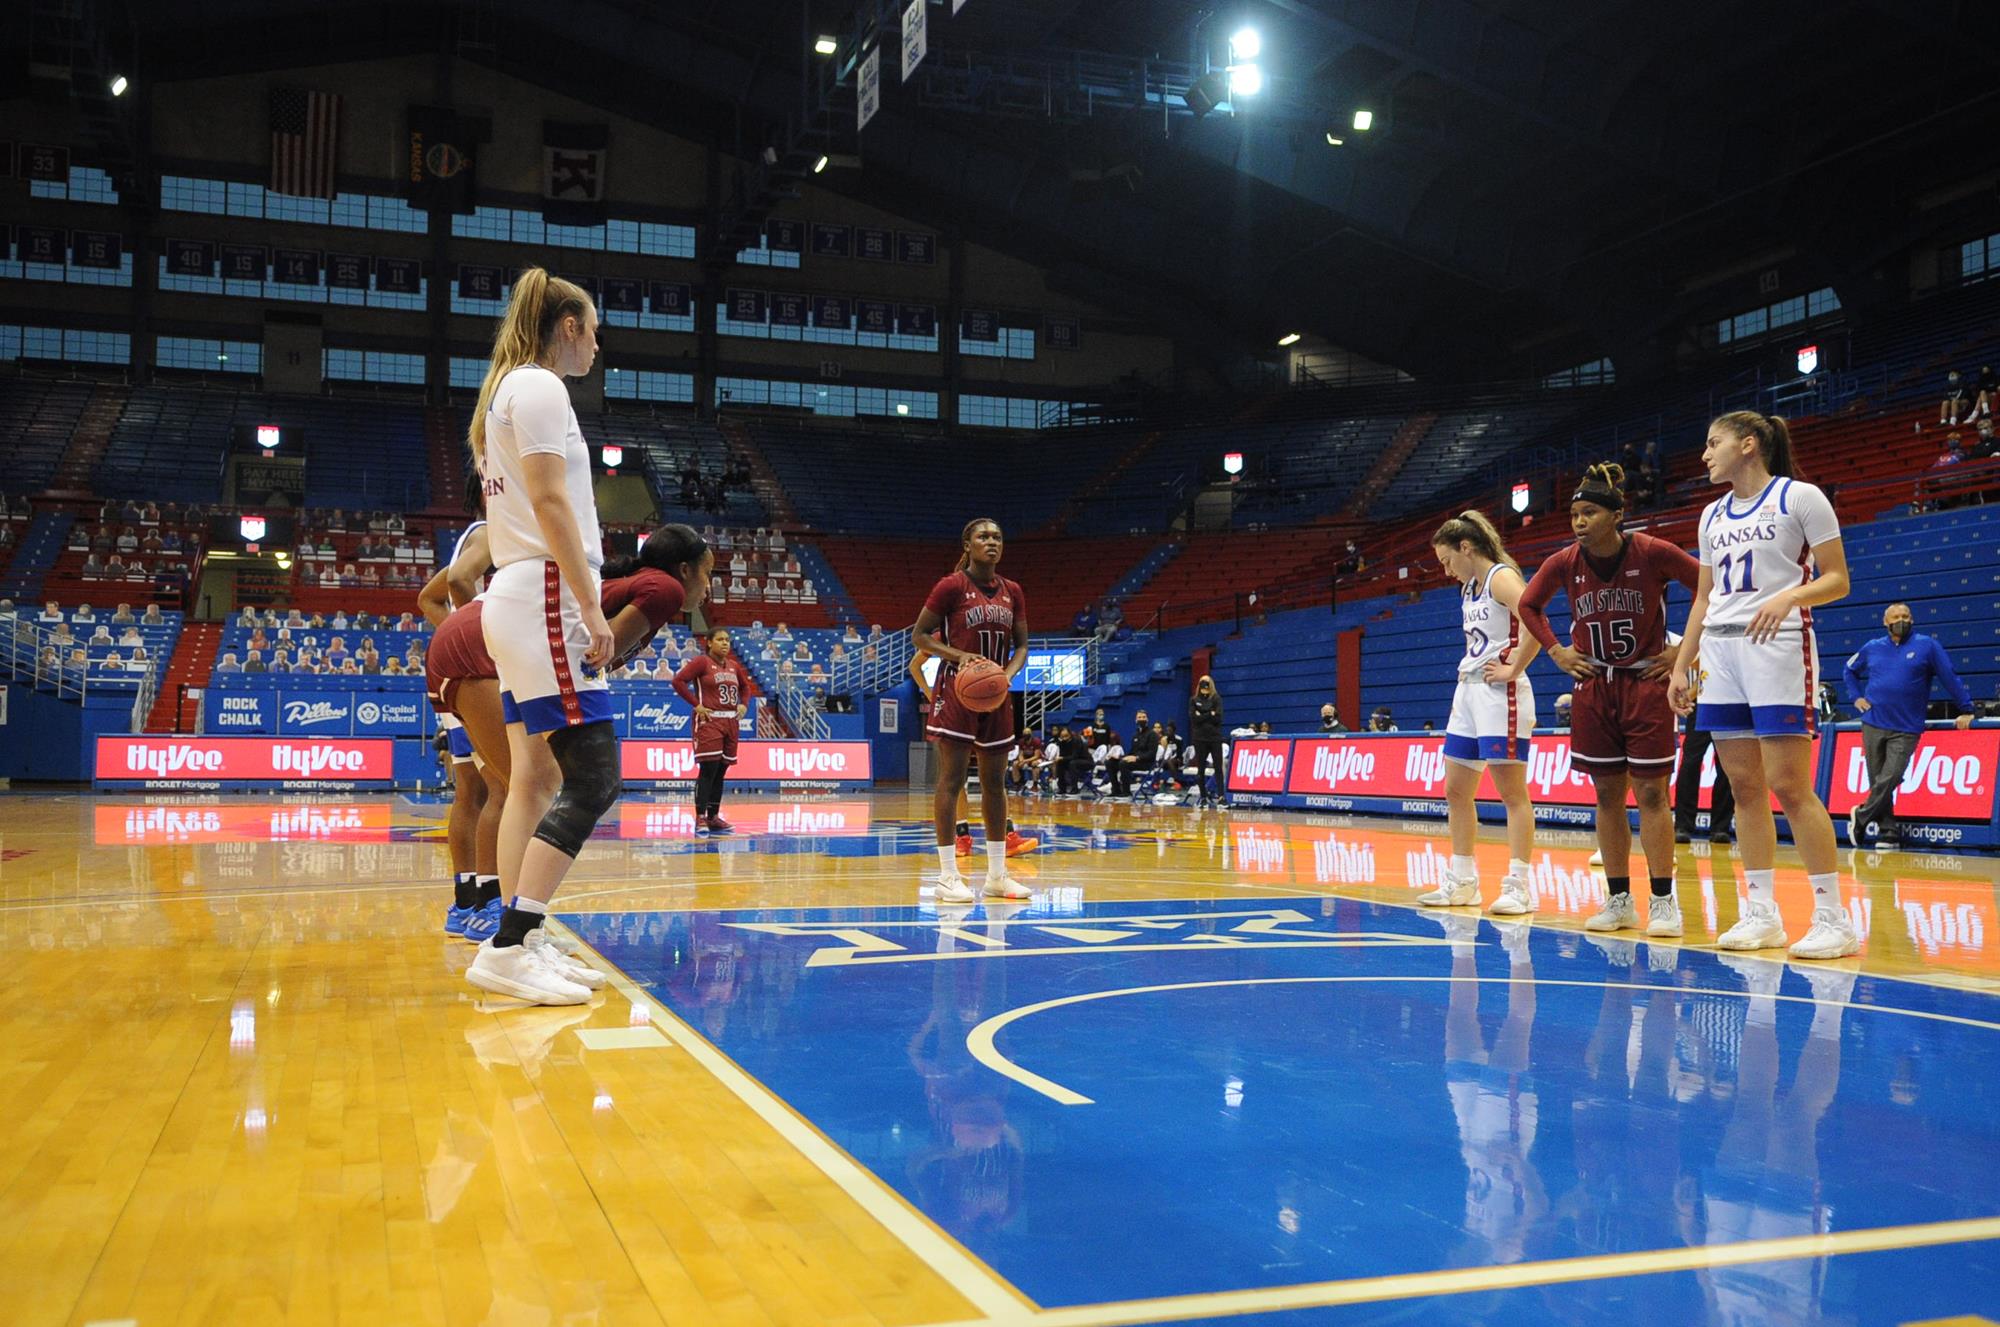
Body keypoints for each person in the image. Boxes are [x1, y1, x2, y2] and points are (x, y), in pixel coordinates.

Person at [461, 267, 628, 1005]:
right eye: (594, 329)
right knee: (595, 775)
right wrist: (593, 608)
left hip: (519, 590)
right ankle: (508, 944)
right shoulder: (539, 387)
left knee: (535, 778)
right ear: (569, 326)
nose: (598, 345)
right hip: (546, 590)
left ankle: (521, 936)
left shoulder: (505, 391)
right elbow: (552, 500)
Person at [1669, 412, 1855, 959]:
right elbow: (1703, 598)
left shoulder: (1801, 497)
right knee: (1743, 788)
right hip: (1721, 652)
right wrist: (1684, 663)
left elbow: (1838, 579)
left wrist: (1790, 596)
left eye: (1713, 442)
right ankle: (1762, 912)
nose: (1704, 454)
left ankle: (1833, 918)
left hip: (1778, 642)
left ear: (1748, 445)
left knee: (1790, 787)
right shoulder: (1710, 514)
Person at [1516, 462, 1700, 932]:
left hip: (1645, 684)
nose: (1579, 521)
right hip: (1595, 687)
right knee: (1606, 794)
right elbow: (1528, 604)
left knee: (1653, 794)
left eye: (1589, 512)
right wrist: (1556, 651)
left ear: (1616, 515)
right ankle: (1619, 899)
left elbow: (1713, 590)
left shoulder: (1652, 551)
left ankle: (1663, 900)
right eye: (1574, 514)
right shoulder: (1563, 562)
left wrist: (1683, 651)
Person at [1418, 510, 1541, 911]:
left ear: (1465, 547)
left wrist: (1514, 667)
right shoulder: (1469, 588)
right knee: (1455, 790)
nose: (1446, 570)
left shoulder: (1501, 578)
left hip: (1499, 693)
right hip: (1467, 691)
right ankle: (1463, 880)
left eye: (1447, 561)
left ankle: (1520, 885)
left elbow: (1534, 621)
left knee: (1511, 794)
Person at [914, 518, 1033, 903]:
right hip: (955, 692)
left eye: (998, 536)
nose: (991, 542)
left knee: (996, 785)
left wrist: (1006, 675)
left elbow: (1022, 646)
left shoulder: (1012, 590)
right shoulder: (951, 586)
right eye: (983, 536)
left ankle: (997, 876)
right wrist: (960, 655)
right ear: (967, 543)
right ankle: (948, 876)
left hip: (996, 695)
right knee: (951, 781)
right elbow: (919, 637)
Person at [418, 509, 496, 938]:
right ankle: (490, 902)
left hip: (458, 674)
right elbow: (455, 584)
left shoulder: (476, 534)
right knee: (502, 789)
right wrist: (477, 641)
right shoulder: (490, 532)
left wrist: (454, 633)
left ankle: (465, 902)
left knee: (472, 792)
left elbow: (428, 598)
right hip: (480, 674)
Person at [1841, 601, 1976, 849]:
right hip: (1873, 722)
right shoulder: (1872, 647)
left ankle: (1861, 816)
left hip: (1906, 726)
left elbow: (1949, 676)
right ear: (1885, 622)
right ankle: (1887, 831)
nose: (1901, 620)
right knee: (1877, 779)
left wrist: (1966, 708)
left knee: (1891, 776)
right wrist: (1856, 697)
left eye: (1905, 615)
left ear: (1912, 619)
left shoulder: (1927, 646)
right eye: (1896, 616)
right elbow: (1849, 670)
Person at [673, 628, 744, 834]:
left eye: (727, 640)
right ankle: (700, 817)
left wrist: (744, 704)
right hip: (709, 720)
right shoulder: (702, 662)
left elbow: (746, 688)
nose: (725, 643)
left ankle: (714, 816)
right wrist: (696, 704)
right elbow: (678, 681)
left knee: (721, 771)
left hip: (731, 722)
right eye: (720, 639)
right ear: (710, 642)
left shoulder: (734, 666)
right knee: (708, 770)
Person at [1189, 676, 1226, 807]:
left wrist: (1202, 715)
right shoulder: (1194, 700)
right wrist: (1209, 713)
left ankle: (1221, 797)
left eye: (1208, 683)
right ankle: (1203, 797)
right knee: (1201, 769)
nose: (1205, 685)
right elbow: (1194, 719)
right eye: (1202, 682)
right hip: (1200, 739)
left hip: (1215, 738)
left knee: (1218, 767)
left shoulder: (1216, 699)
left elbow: (1218, 718)